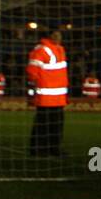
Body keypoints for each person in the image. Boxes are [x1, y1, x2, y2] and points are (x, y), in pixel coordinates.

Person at [26, 27, 68, 157]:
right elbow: (32, 71)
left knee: (56, 126)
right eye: (55, 34)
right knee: (43, 125)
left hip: (58, 97)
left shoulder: (60, 49)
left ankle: (54, 149)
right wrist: (34, 89)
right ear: (49, 36)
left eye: (59, 34)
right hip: (45, 96)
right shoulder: (41, 50)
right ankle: (38, 149)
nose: (57, 37)